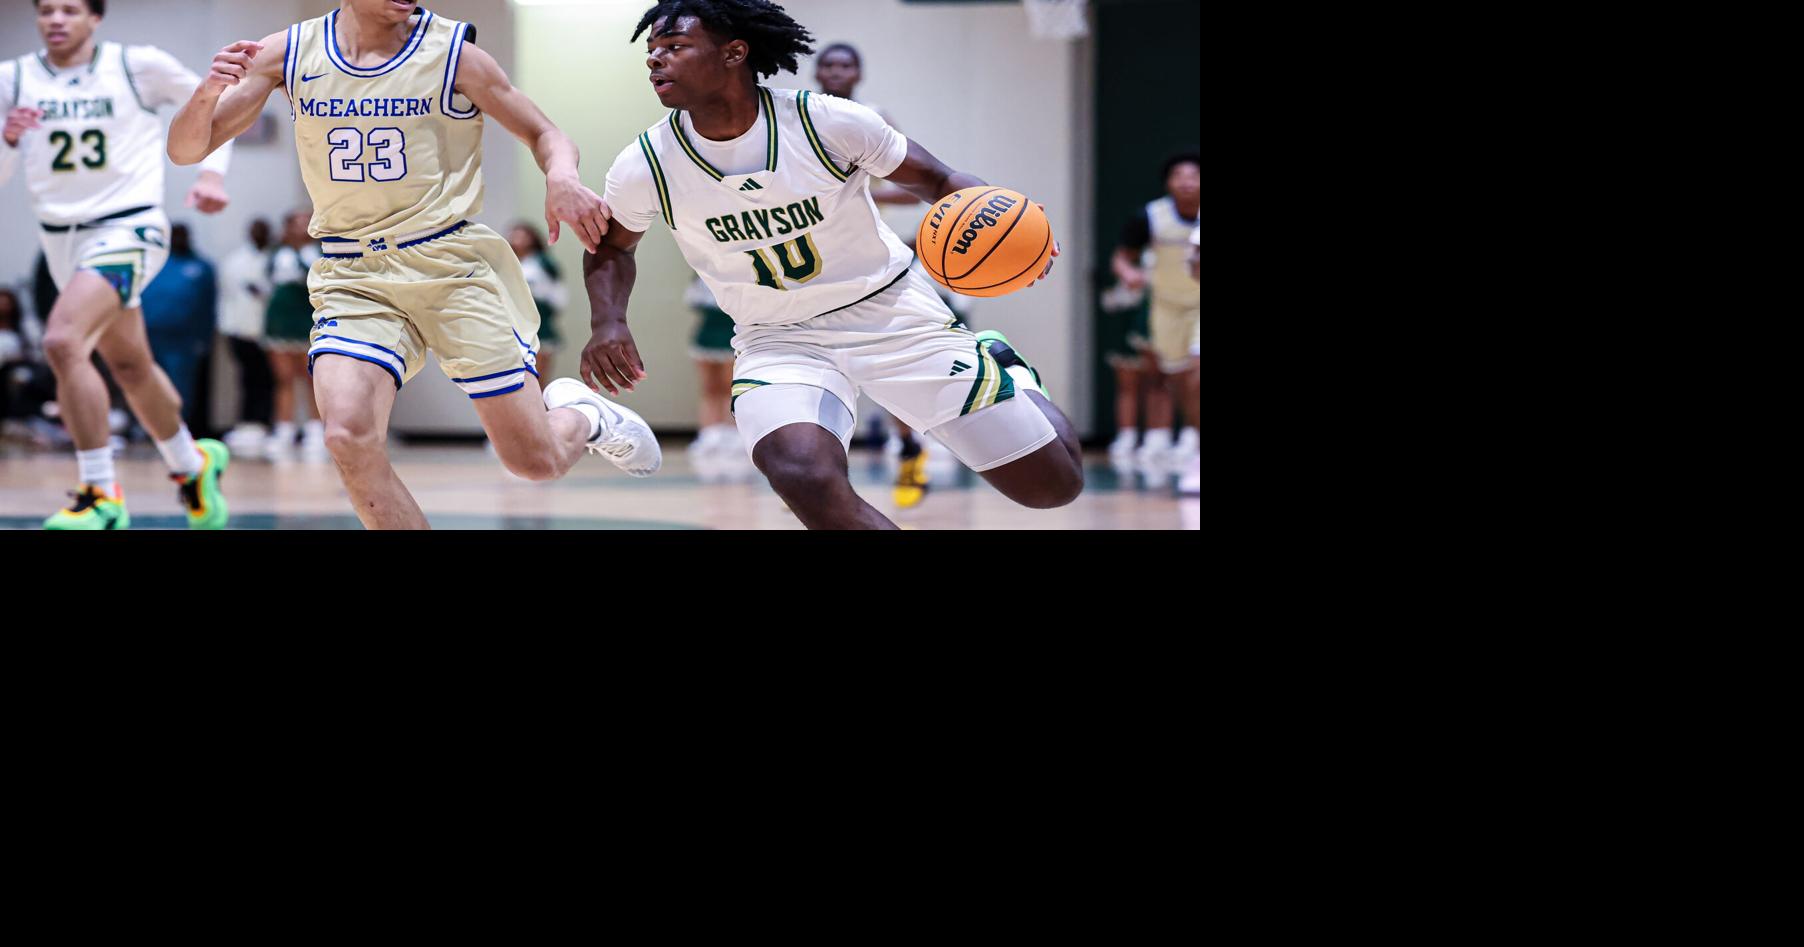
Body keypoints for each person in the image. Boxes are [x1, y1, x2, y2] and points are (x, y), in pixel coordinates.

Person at [586, 0, 1083, 530]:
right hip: (776, 338)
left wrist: (1016, 224)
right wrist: (608, 320)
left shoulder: (825, 121)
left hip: (891, 314)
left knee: (1052, 488)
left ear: (734, 53)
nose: (655, 61)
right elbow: (613, 246)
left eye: (675, 47)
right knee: (799, 472)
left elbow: (937, 180)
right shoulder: (644, 164)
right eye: (652, 51)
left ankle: (1005, 367)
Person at [170, 0, 661, 528]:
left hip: (448, 264)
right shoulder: (287, 53)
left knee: (532, 462)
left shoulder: (454, 54)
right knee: (346, 435)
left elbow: (546, 133)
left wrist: (561, 175)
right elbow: (185, 149)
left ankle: (585, 417)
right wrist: (207, 91)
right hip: (353, 273)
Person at [3, 0, 236, 530]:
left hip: (129, 226)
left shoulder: (137, 65)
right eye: (45, 10)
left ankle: (100, 492)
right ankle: (192, 464)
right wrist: (9, 141)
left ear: (95, 18)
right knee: (129, 365)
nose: (55, 20)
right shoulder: (12, 78)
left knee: (63, 342)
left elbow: (219, 105)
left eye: (69, 9)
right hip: (60, 240)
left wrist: (212, 175)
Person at [1112, 153, 1199, 467]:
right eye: (1180, 175)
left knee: (1197, 370)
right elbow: (1121, 257)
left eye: (1194, 175)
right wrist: (1129, 274)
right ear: (1168, 182)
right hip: (1166, 306)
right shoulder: (1150, 216)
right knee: (1175, 377)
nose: (1187, 182)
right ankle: (1189, 434)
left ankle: (1193, 440)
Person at [138, 222, 216, 432]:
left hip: (184, 341)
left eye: (183, 234)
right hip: (150, 336)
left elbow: (209, 307)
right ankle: (147, 428)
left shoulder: (201, 267)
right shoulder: (153, 263)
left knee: (180, 386)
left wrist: (204, 340)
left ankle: (177, 430)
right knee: (147, 383)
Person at [263, 209, 324, 458]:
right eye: (295, 223)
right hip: (280, 321)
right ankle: (284, 430)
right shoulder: (277, 253)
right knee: (284, 378)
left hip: (308, 318)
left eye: (305, 222)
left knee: (312, 380)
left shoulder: (321, 252)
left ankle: (315, 430)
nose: (301, 227)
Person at [218, 218, 275, 456]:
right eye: (255, 231)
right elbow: (229, 296)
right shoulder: (235, 262)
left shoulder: (275, 259)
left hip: (270, 332)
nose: (259, 235)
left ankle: (263, 424)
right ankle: (247, 423)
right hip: (240, 330)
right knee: (248, 379)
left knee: (269, 380)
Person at [508, 222, 565, 386]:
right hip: (514, 330)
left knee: (537, 381)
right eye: (514, 233)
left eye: (521, 234)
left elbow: (558, 298)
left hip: (540, 330)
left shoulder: (543, 263)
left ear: (532, 239)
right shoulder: (508, 264)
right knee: (515, 384)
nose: (516, 238)